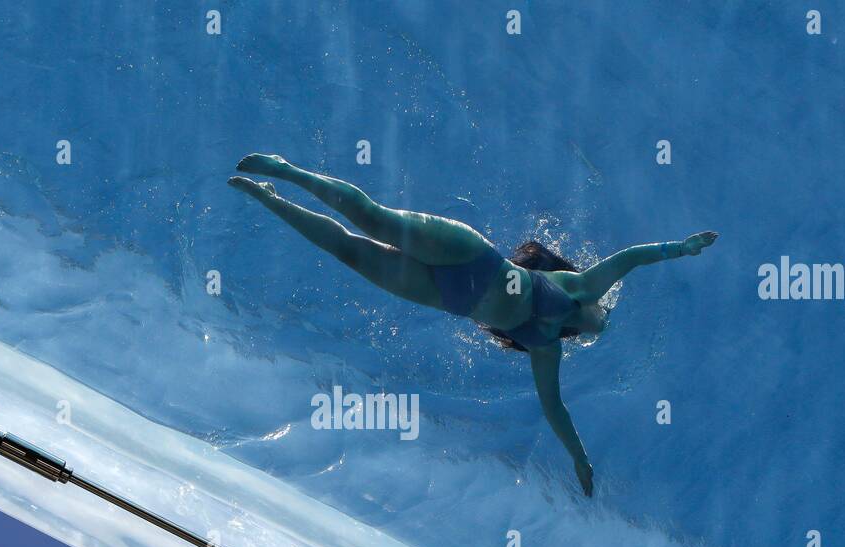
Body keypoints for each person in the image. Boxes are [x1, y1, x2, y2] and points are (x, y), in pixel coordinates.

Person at [229, 154, 718, 497]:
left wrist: (579, 458)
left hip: (445, 295)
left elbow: (554, 407)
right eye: (606, 314)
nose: (604, 317)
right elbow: (630, 258)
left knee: (349, 251)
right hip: (470, 254)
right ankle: (287, 171)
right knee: (371, 218)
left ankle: (270, 199)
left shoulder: (545, 346)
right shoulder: (580, 286)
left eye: (604, 320)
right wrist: (680, 248)